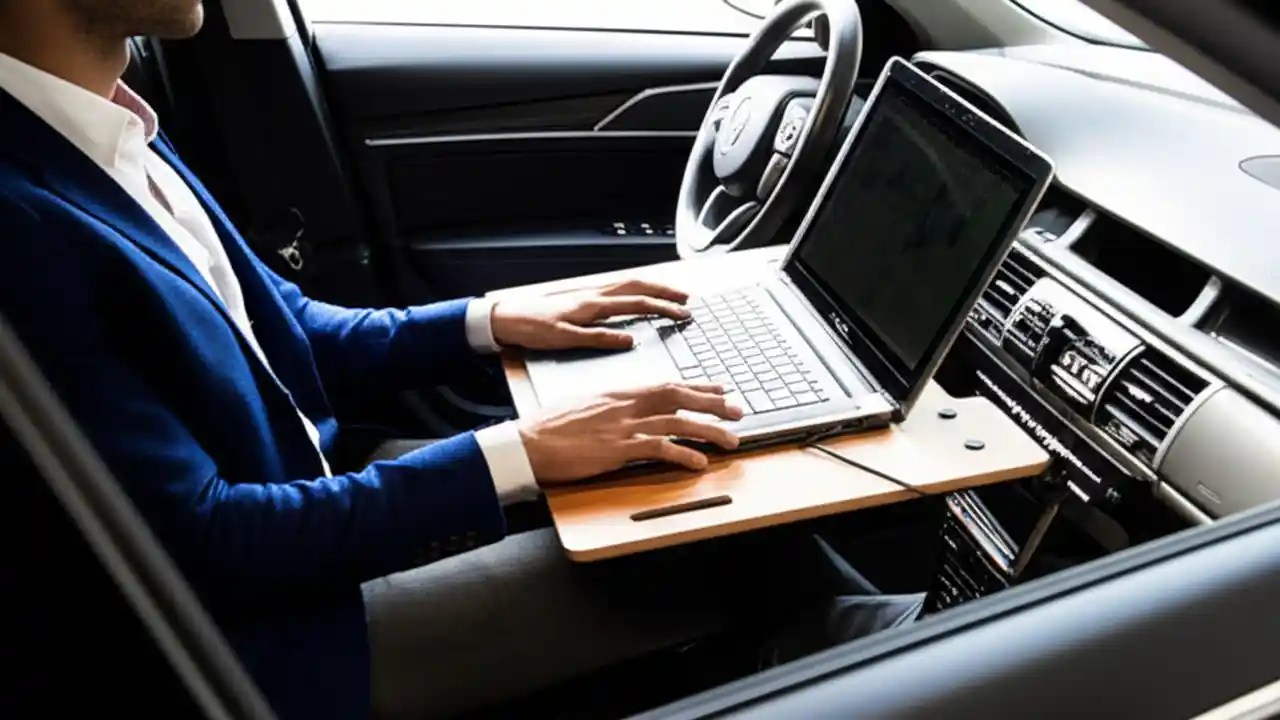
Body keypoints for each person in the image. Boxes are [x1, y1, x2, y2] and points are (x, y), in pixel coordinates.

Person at [0, 1, 925, 717]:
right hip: (274, 646)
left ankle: (909, 639)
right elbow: (207, 548)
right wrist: (523, 451)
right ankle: (962, 659)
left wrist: (496, 318)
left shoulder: (107, 124)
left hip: (310, 508)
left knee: (696, 497)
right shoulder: (21, 218)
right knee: (719, 558)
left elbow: (285, 328)